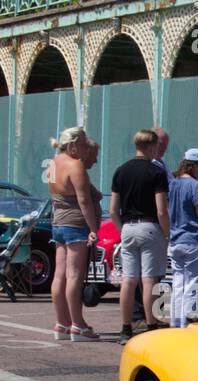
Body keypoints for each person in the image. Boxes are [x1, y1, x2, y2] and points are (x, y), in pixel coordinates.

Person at [110, 128, 171, 340]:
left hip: (128, 227)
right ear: (151, 146)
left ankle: (125, 328)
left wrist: (122, 230)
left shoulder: (121, 171)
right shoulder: (156, 172)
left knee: (129, 280)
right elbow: (161, 209)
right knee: (149, 280)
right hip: (149, 226)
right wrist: (166, 233)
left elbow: (112, 209)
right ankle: (151, 326)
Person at [47, 127, 102, 341]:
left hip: (58, 222)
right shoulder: (75, 165)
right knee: (74, 276)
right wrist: (93, 229)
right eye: (82, 145)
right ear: (72, 145)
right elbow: (84, 200)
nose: (85, 150)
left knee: (59, 274)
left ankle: (62, 323)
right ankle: (78, 325)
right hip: (75, 224)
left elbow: (55, 193)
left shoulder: (53, 162)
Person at [167, 149, 198, 327]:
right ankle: (188, 320)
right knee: (194, 282)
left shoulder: (172, 184)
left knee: (178, 282)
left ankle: (175, 321)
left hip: (175, 238)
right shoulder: (195, 186)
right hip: (193, 238)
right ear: (194, 166)